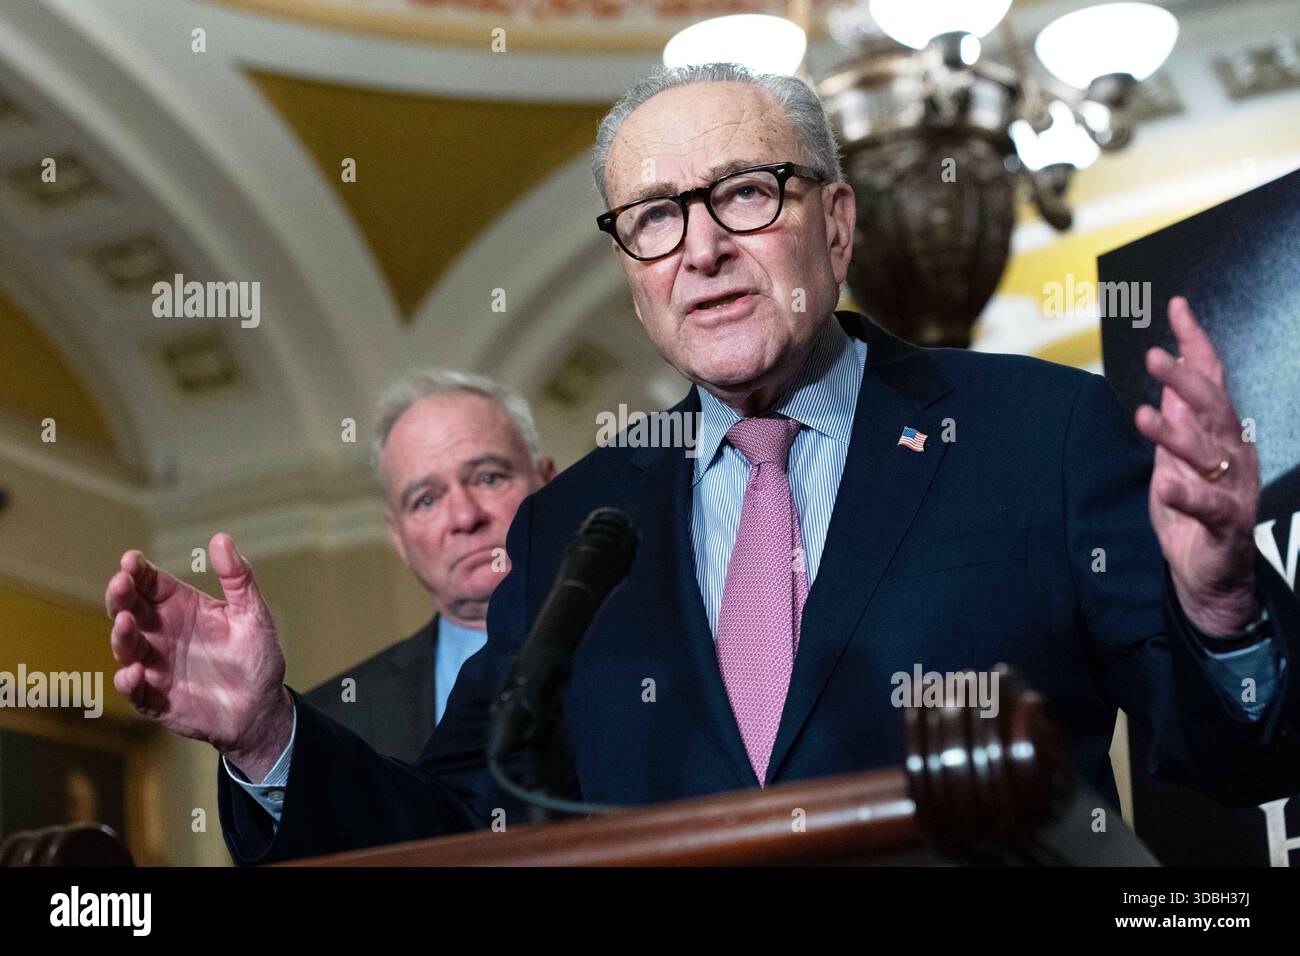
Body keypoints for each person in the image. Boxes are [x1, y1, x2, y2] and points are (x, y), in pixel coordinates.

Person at [105, 63, 1300, 865]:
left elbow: (1243, 755)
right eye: (655, 216)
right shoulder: (574, 524)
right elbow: (468, 829)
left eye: (744, 192)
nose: (703, 251)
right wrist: (267, 736)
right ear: (630, 268)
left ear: (835, 225)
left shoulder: (1044, 433)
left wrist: (1223, 602)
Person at [303, 370, 555, 763]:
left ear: (548, 482)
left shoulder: (658, 644)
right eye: (426, 500)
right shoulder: (331, 724)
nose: (465, 517)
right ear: (399, 539)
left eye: (489, 478)